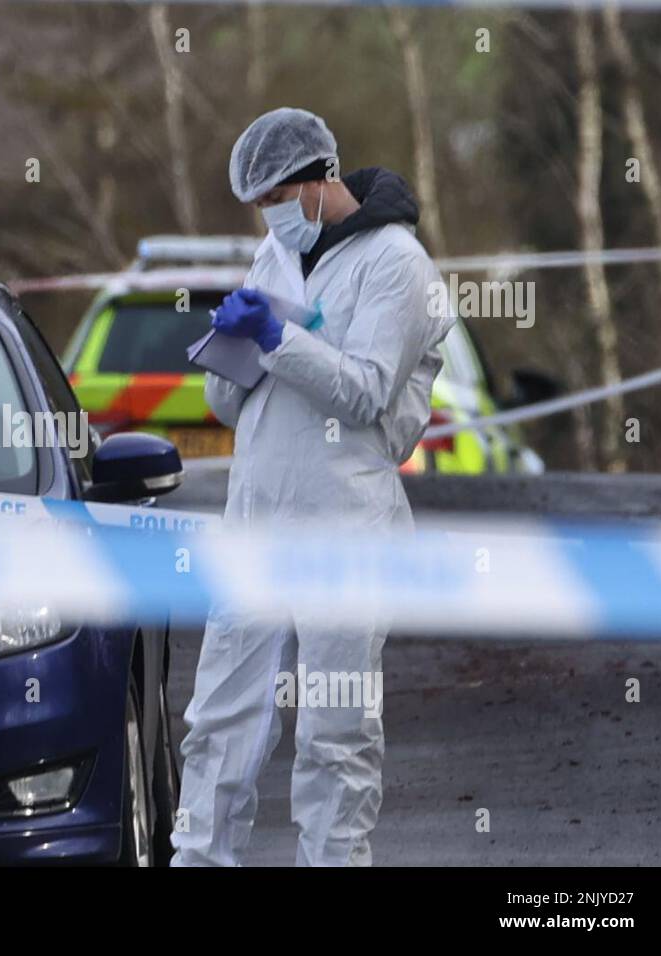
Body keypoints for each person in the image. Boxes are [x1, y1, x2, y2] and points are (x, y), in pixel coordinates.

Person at [172, 108, 455, 867]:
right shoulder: (274, 256)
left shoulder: (396, 263)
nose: (267, 216)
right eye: (257, 204)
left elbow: (365, 393)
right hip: (256, 524)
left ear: (321, 179)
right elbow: (231, 408)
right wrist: (228, 350)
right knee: (217, 724)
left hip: (343, 528)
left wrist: (278, 338)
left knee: (336, 733)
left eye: (275, 197)